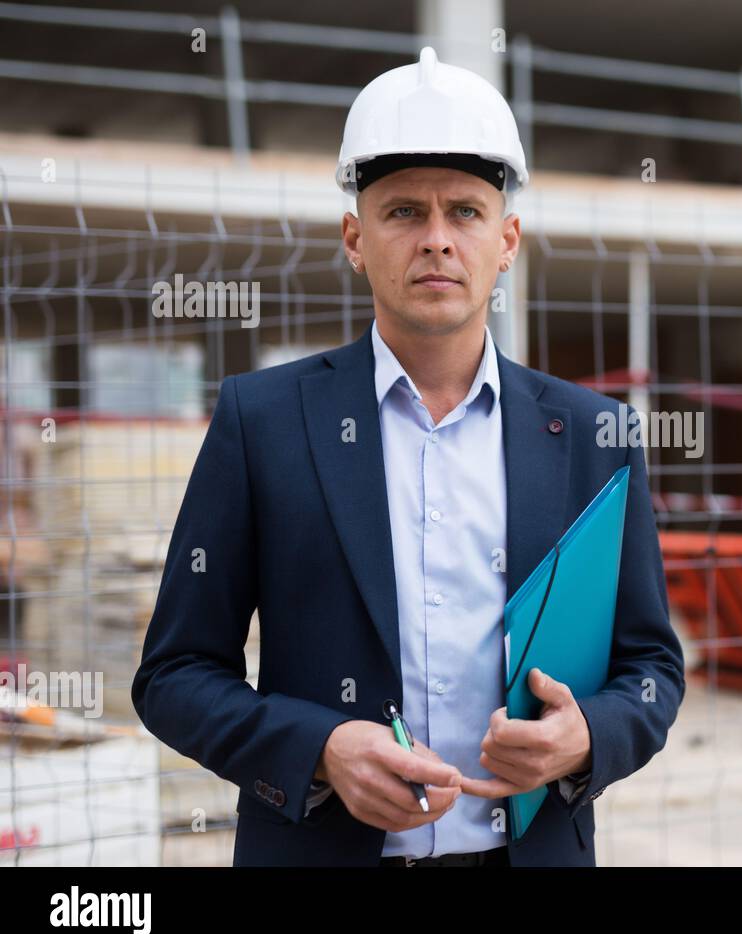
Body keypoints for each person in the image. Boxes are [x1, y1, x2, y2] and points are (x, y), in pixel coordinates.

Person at [132, 47, 685, 867]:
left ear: (508, 240)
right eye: (402, 213)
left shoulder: (597, 434)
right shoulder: (264, 421)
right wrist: (320, 749)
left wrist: (585, 737)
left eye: (464, 211)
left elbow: (651, 667)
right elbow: (174, 674)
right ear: (355, 239)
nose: (436, 240)